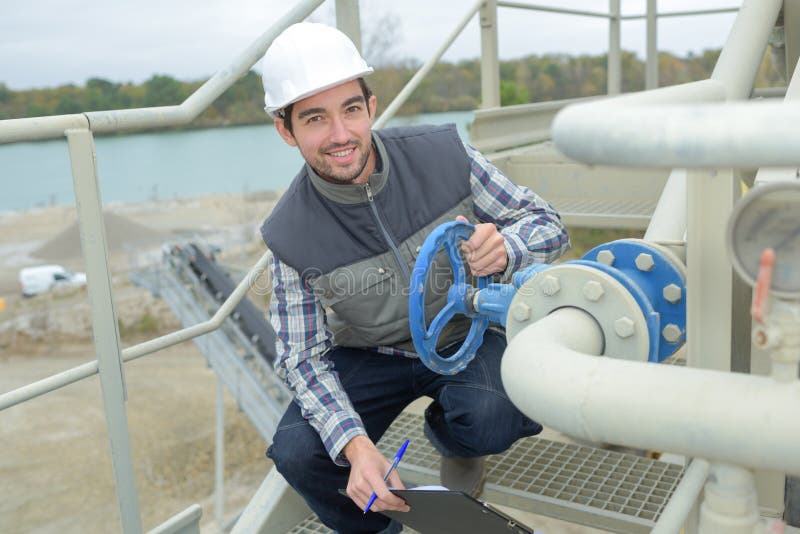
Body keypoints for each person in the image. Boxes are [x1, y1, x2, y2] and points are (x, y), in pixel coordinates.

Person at [259, 22, 570, 534]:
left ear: (372, 107)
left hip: (463, 333)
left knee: (495, 416)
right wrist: (356, 449)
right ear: (285, 130)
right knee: (298, 453)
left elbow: (549, 227)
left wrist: (507, 248)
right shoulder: (289, 235)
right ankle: (380, 528)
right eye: (315, 119)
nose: (340, 135)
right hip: (370, 352)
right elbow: (302, 357)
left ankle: (453, 438)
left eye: (351, 110)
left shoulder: (443, 155)